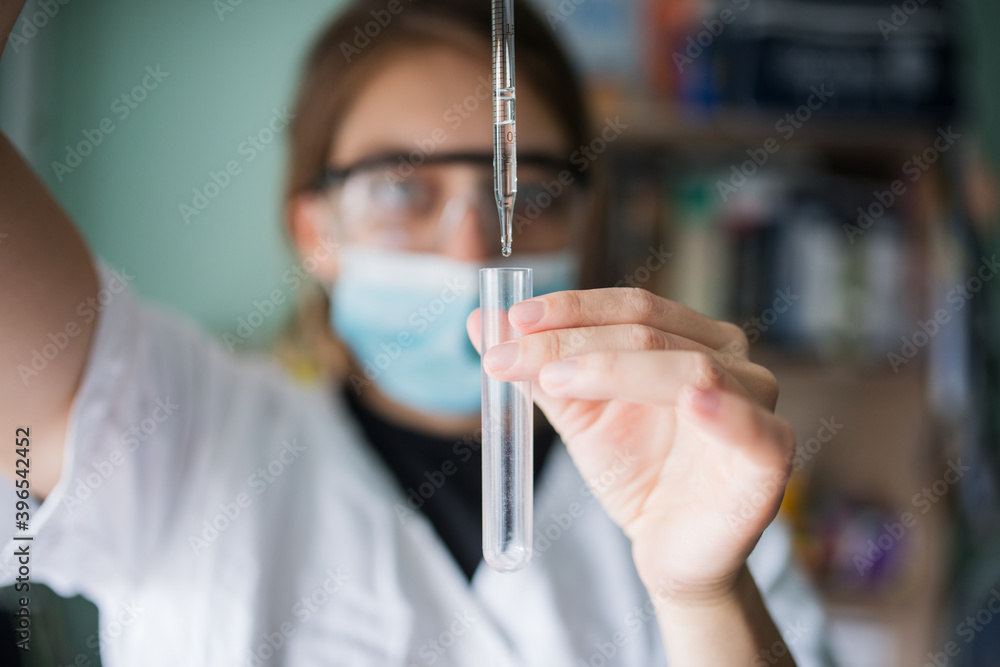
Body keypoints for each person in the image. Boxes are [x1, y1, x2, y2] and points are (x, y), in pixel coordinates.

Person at [0, 0, 832, 665]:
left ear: (586, 225)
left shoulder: (686, 476)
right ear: (315, 230)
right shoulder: (176, 430)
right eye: (403, 191)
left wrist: (704, 598)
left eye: (528, 195)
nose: (473, 249)